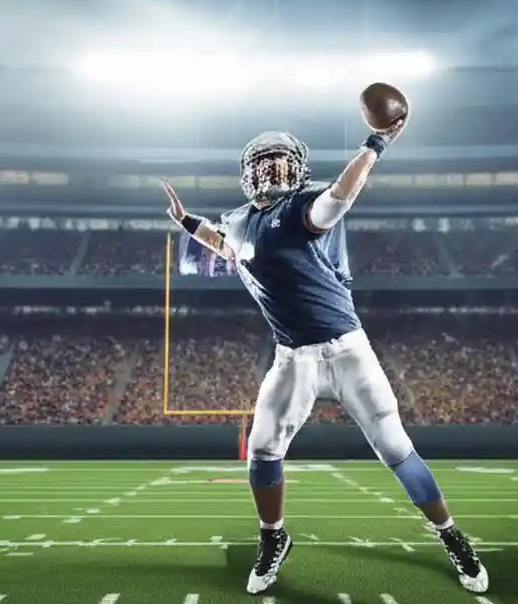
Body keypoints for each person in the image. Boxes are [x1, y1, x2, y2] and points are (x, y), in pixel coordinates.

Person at [161, 124, 489, 595]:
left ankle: (451, 535)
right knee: (263, 448)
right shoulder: (238, 219)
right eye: (264, 164)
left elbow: (339, 197)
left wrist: (375, 144)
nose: (272, 171)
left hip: (347, 350)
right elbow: (226, 245)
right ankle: (274, 537)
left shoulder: (301, 207)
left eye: (281, 163)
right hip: (293, 357)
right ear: (248, 174)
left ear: (297, 170)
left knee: (395, 447)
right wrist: (186, 221)